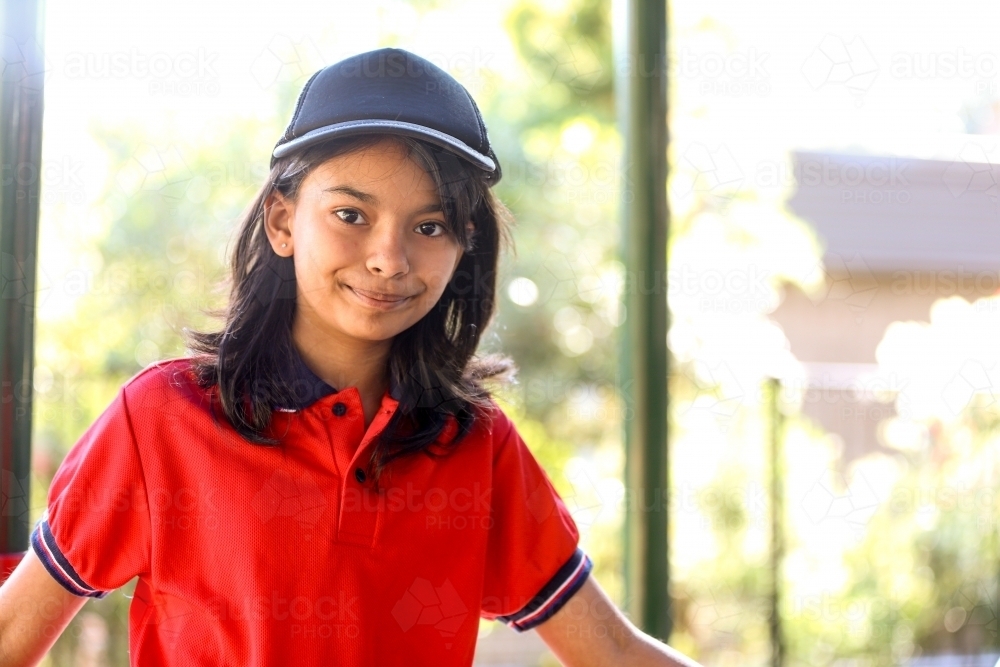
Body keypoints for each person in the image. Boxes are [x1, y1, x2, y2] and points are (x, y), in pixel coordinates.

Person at [0, 48, 701, 667]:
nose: (388, 258)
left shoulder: (477, 448)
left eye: (429, 226)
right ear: (282, 220)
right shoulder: (161, 418)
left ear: (463, 251)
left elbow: (612, 652)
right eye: (351, 214)